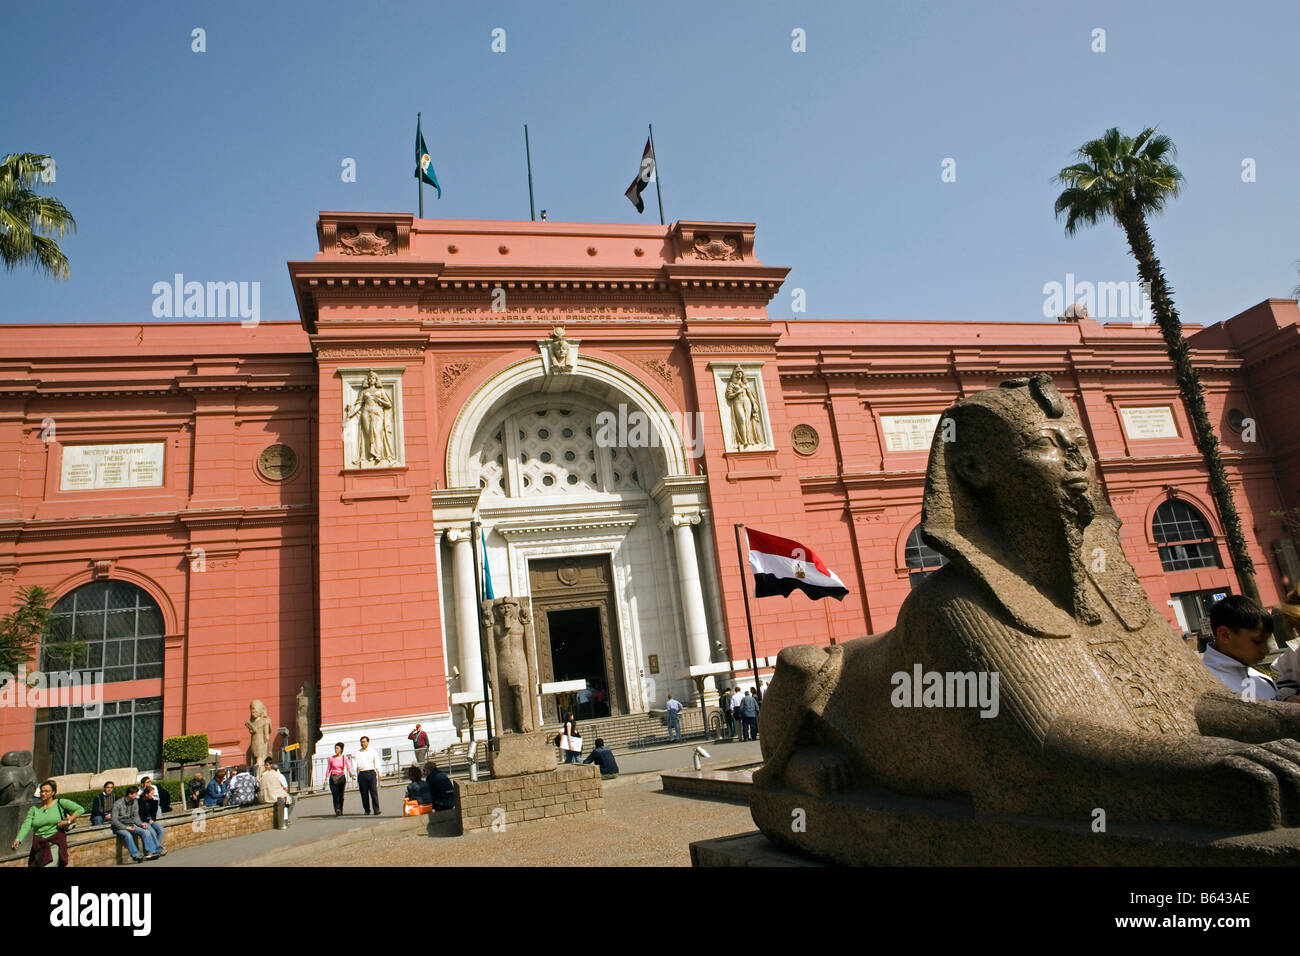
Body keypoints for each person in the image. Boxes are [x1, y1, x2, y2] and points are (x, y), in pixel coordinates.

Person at [11, 779, 82, 867]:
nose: (43, 793)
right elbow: (26, 825)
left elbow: (80, 809)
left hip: (54, 843)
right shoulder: (34, 809)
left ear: (53, 792)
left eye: (47, 791)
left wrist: (68, 821)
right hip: (38, 845)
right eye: (42, 791)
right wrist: (18, 839)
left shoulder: (60, 803)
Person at [111, 785, 163, 862]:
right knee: (128, 835)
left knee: (146, 832)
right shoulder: (118, 804)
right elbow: (114, 820)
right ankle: (136, 855)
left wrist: (140, 824)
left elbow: (136, 817)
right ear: (130, 794)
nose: (137, 796)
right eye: (135, 794)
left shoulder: (135, 802)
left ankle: (150, 852)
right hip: (119, 826)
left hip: (131, 824)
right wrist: (125, 828)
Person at [323, 741, 354, 815]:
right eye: (335, 748)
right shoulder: (331, 758)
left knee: (341, 795)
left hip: (341, 778)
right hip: (333, 778)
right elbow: (328, 768)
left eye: (337, 748)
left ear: (341, 749)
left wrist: (351, 774)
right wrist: (326, 778)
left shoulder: (344, 758)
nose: (336, 750)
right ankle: (337, 809)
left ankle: (341, 808)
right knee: (335, 794)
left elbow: (349, 767)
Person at [354, 735, 382, 815]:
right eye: (361, 742)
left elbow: (377, 762)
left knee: (374, 792)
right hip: (362, 774)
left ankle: (376, 809)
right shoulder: (357, 752)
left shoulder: (373, 751)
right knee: (364, 793)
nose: (362, 743)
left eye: (364, 742)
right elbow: (355, 763)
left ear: (368, 742)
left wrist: (380, 772)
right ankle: (367, 810)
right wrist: (353, 774)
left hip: (371, 773)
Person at [138, 785, 166, 852]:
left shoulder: (154, 801)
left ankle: (156, 848)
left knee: (161, 830)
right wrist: (147, 820)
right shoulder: (140, 802)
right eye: (152, 793)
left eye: (154, 793)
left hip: (151, 819)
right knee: (152, 832)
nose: (153, 795)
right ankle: (159, 849)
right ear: (146, 794)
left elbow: (154, 814)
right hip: (143, 820)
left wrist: (152, 819)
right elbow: (139, 815)